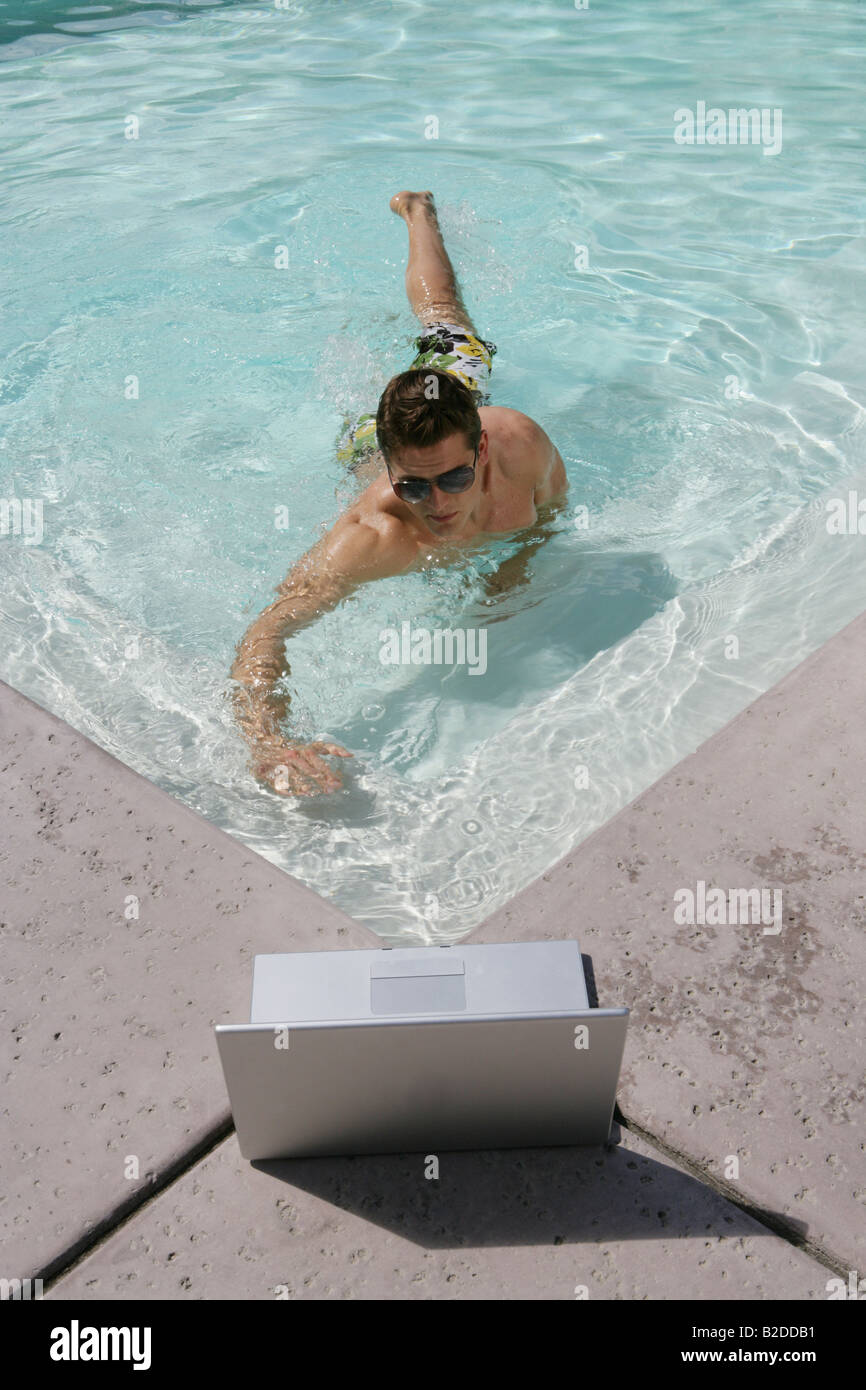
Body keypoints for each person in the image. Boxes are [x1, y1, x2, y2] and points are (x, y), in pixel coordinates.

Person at [231, 190, 568, 796]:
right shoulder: (372, 536)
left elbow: (553, 518)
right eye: (414, 485)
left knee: (447, 318)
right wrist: (267, 739)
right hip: (373, 435)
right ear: (391, 471)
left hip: (455, 384)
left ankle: (418, 211)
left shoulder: (521, 445)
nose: (437, 503)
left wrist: (512, 574)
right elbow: (267, 632)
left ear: (481, 452)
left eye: (455, 478)